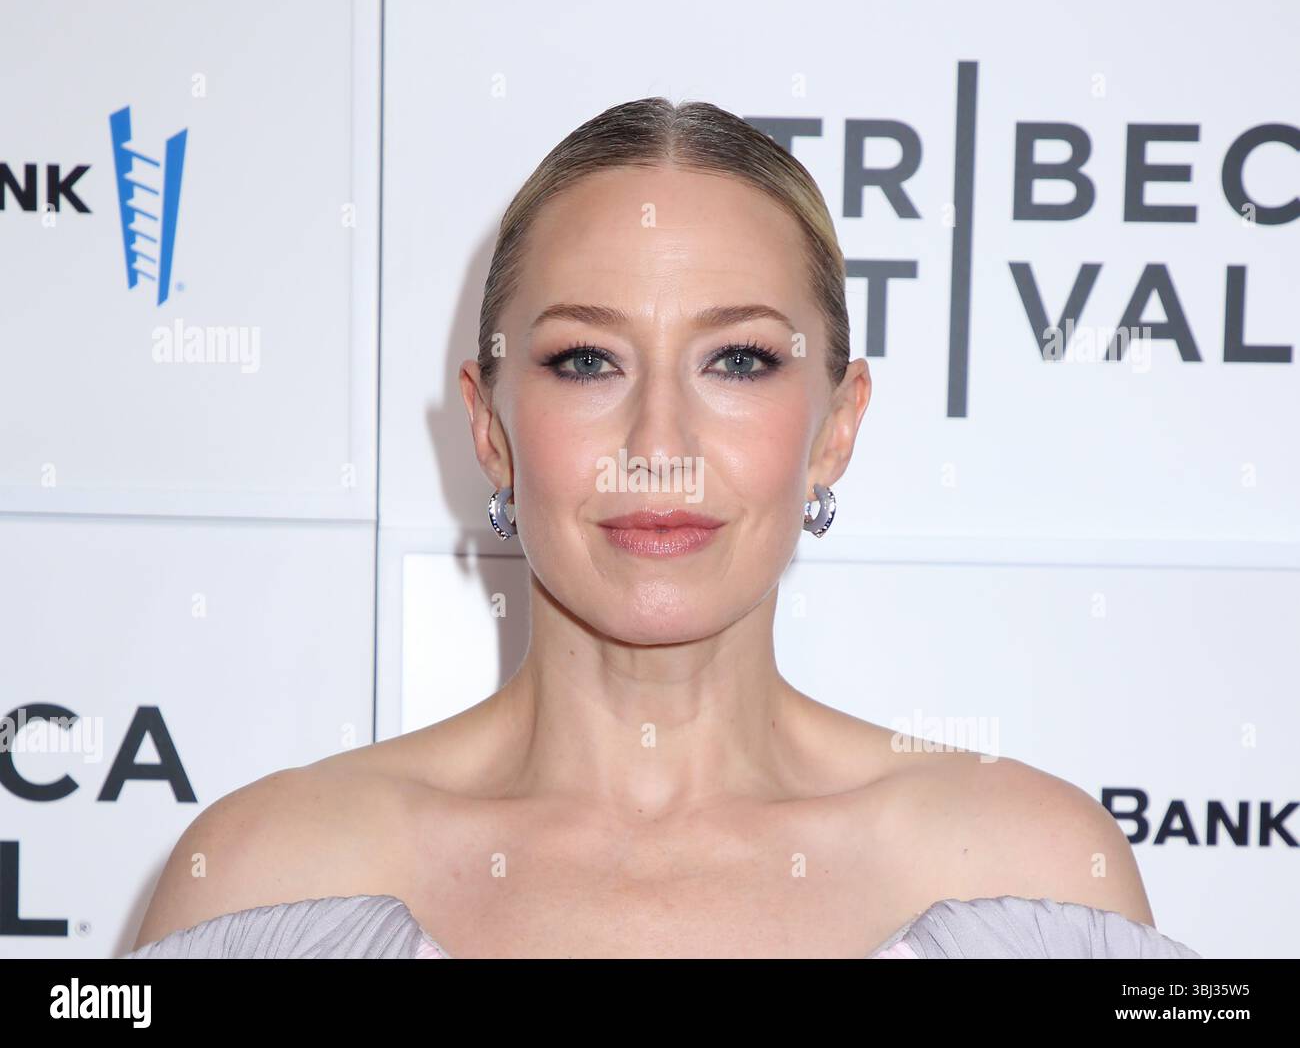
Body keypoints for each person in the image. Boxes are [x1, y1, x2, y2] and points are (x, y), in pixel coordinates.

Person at [125, 97, 1199, 960]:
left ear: (836, 428)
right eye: (585, 361)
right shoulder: (270, 883)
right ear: (490, 430)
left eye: (737, 360)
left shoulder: (1030, 882)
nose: (659, 440)